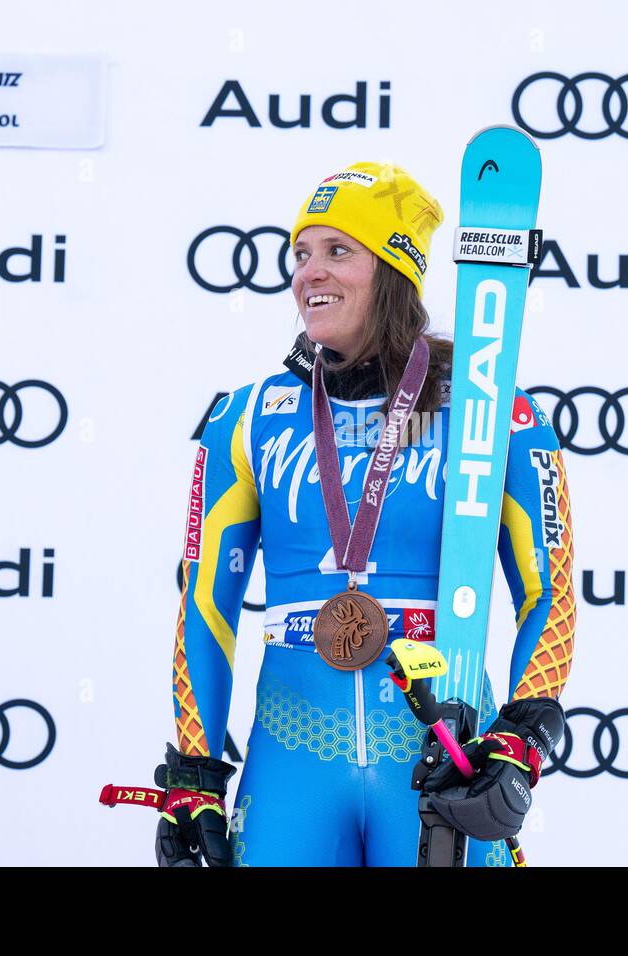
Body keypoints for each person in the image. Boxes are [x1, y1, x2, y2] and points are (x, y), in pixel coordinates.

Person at [153, 161, 577, 867]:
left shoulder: (495, 410)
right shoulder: (248, 417)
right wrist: (194, 775)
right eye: (300, 253)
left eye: (337, 251)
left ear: (392, 270)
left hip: (437, 760)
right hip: (292, 765)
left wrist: (520, 736)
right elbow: (205, 607)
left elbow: (550, 593)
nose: (307, 273)